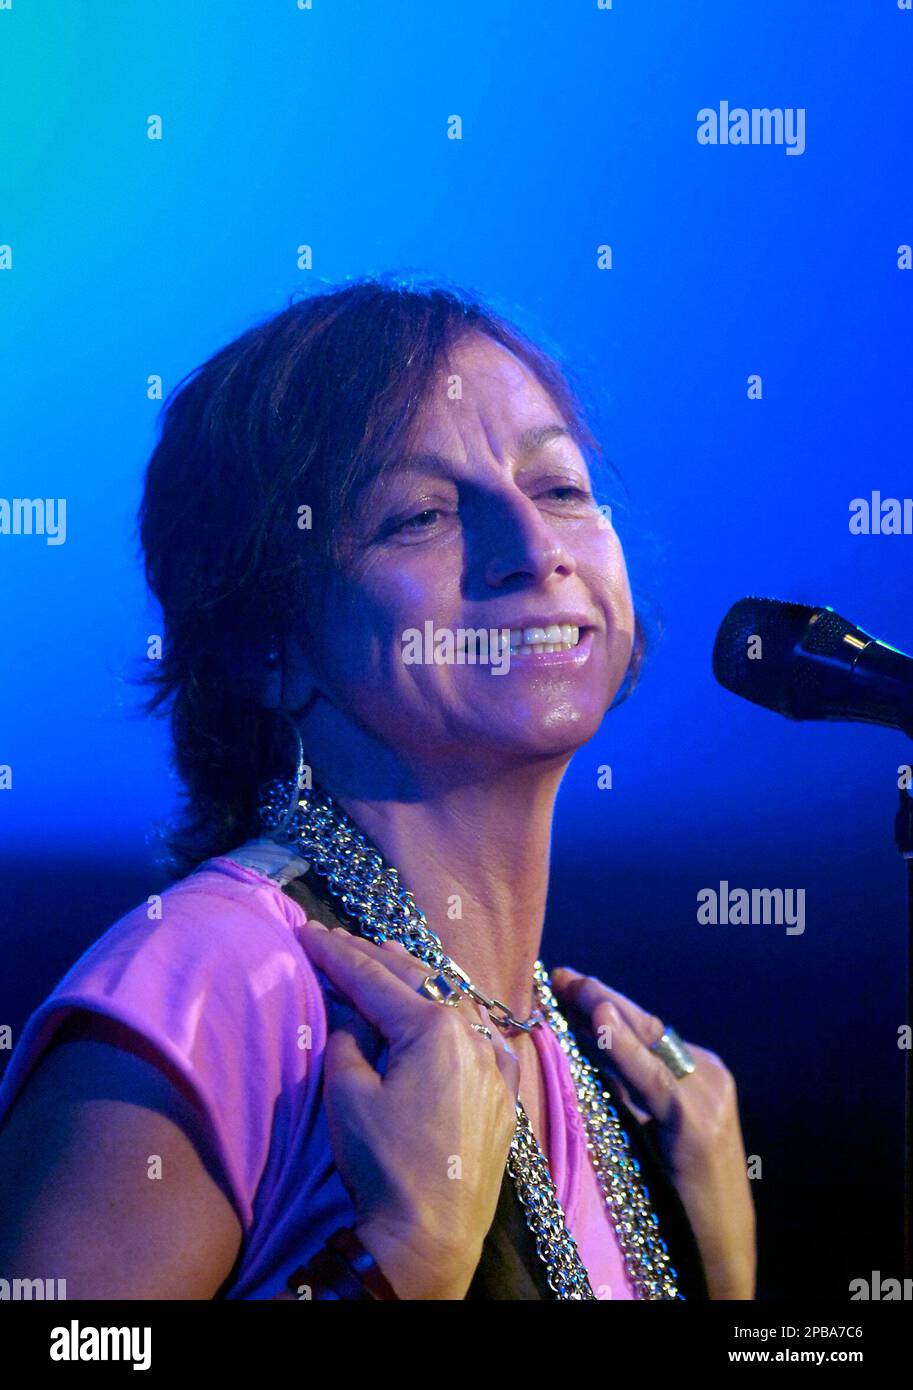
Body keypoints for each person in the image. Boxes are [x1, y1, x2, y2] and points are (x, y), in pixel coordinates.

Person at [0, 276, 755, 1300]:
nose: (532, 550)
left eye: (560, 487)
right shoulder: (212, 983)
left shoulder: (594, 1067)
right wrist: (401, 1257)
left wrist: (723, 1278)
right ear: (263, 647)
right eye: (418, 517)